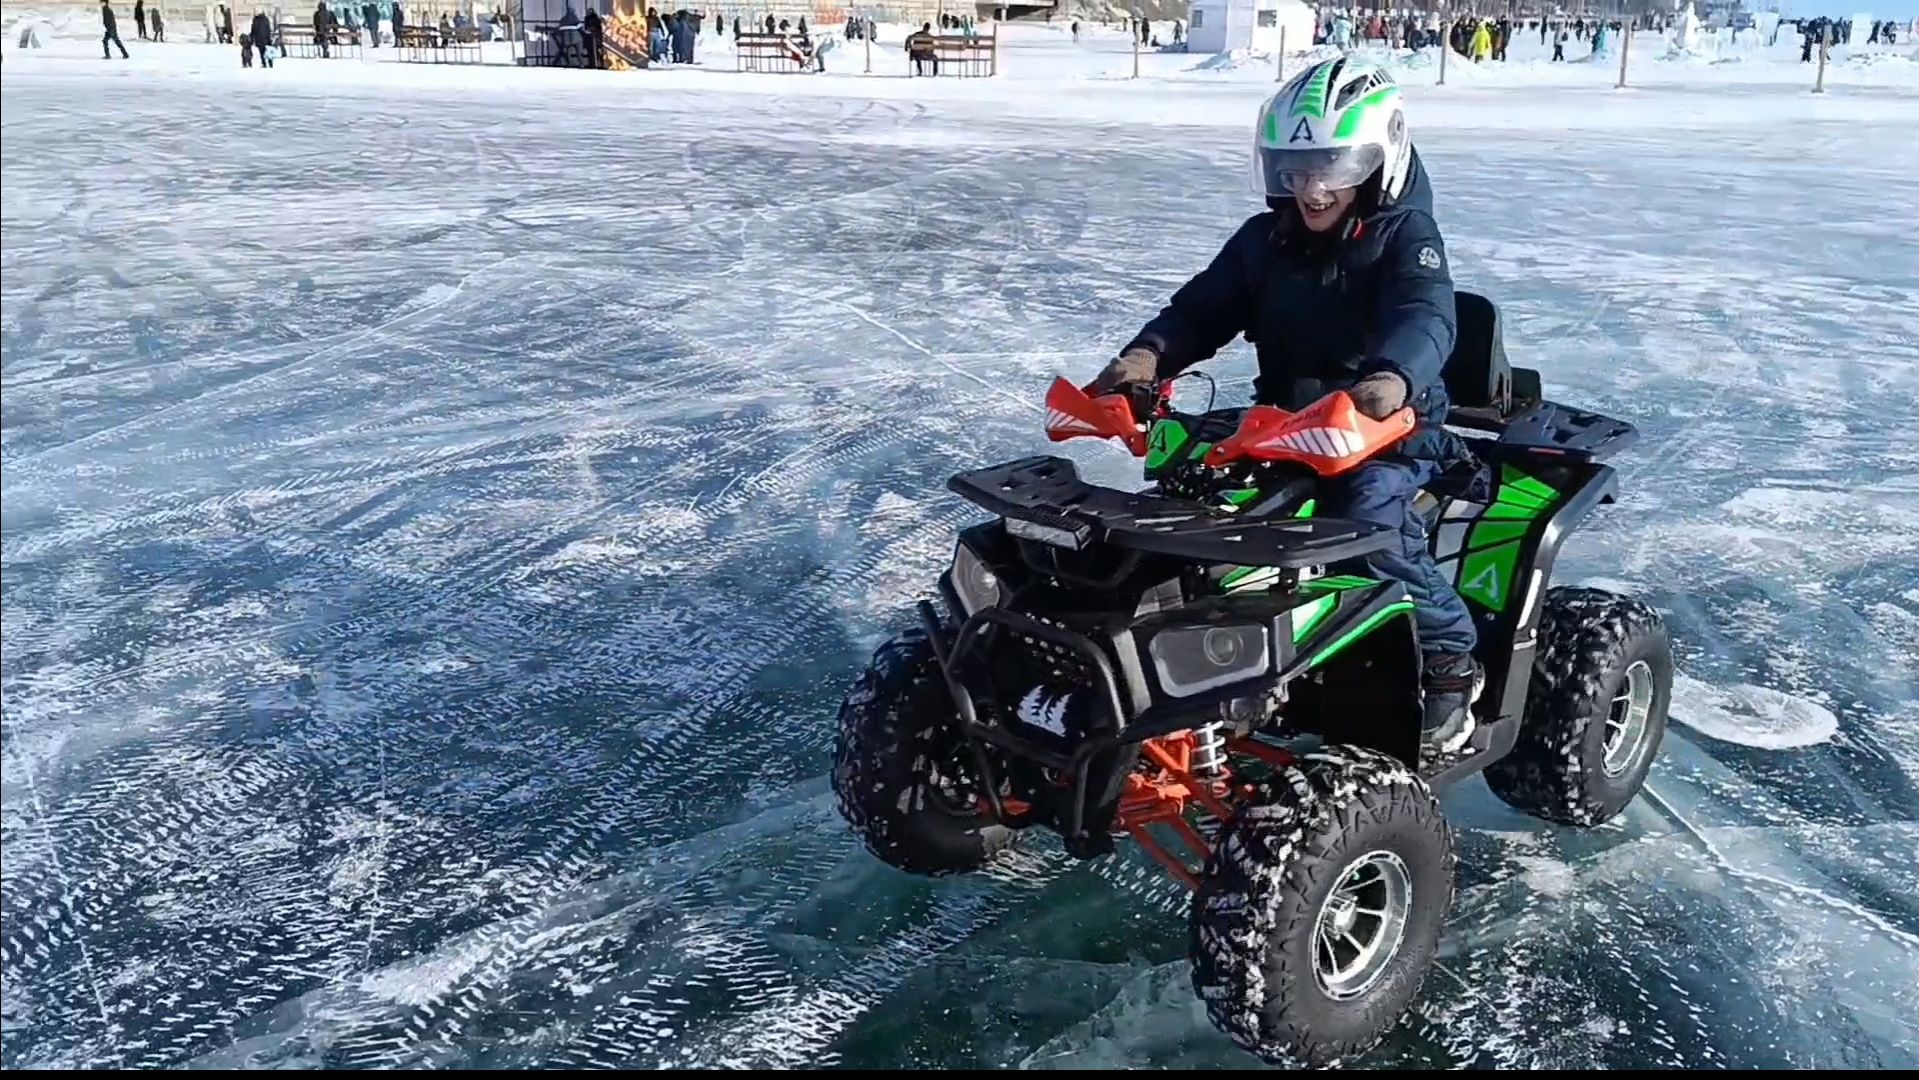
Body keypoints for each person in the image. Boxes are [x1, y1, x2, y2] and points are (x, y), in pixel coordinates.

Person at [1092, 57, 1484, 752]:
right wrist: (1149, 355)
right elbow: (1201, 310)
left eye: (1332, 167)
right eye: (1294, 169)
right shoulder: (1263, 240)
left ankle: (1451, 660)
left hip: (1386, 432)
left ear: (1378, 159)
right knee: (1185, 498)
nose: (1311, 189)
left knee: (1365, 520)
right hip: (1283, 426)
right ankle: (1190, 663)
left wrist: (1391, 378)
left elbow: (1425, 318)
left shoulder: (1405, 240)